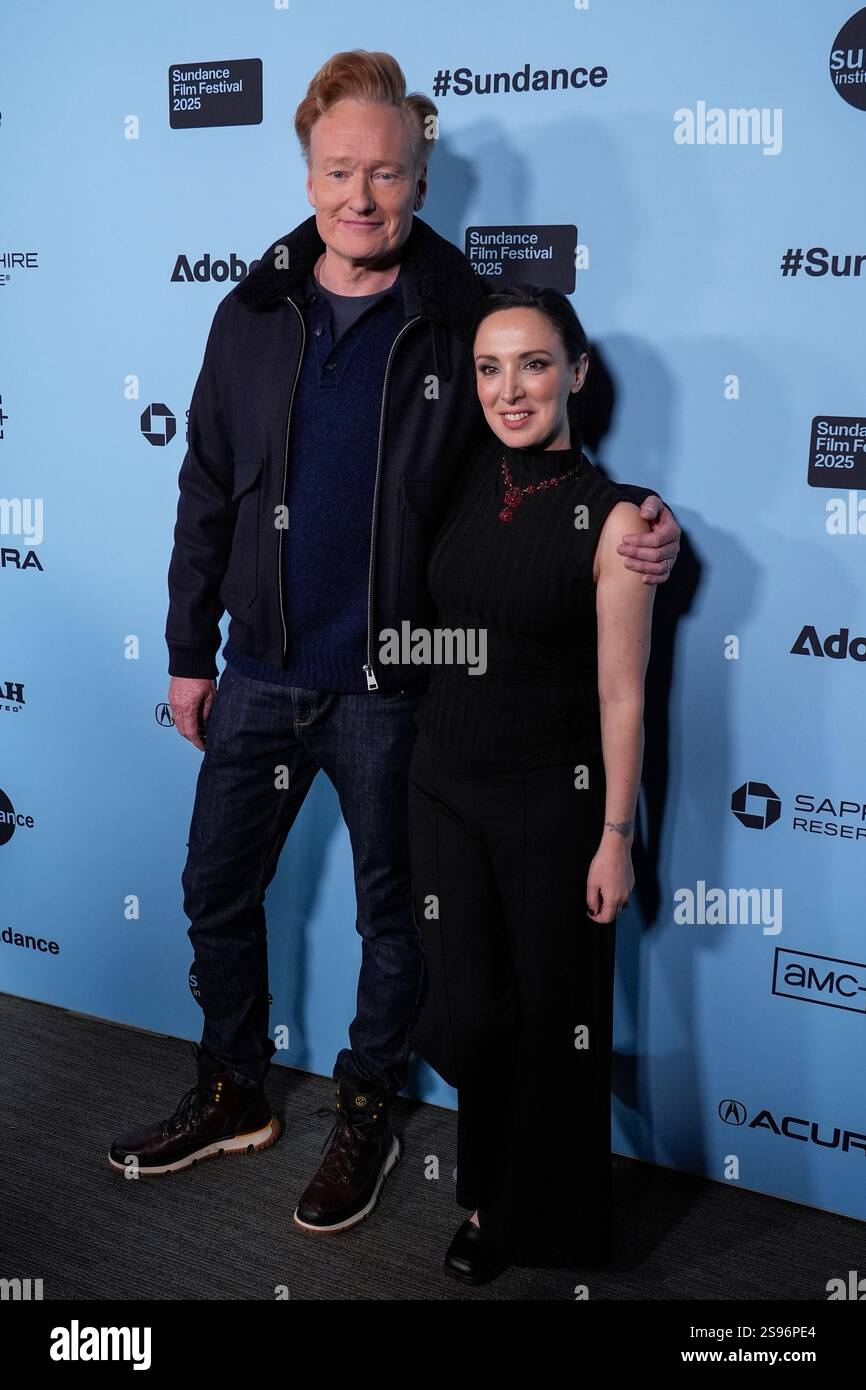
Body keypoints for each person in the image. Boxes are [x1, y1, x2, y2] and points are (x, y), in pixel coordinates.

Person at [109, 50, 680, 1237]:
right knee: (215, 888)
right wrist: (186, 646)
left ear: (419, 179)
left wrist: (641, 521)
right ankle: (232, 1088)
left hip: (390, 686)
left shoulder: (462, 317)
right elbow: (205, 486)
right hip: (260, 668)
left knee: (392, 922)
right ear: (307, 170)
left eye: (385, 172)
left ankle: (365, 1108)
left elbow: (534, 454)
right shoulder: (250, 308)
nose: (359, 195)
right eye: (337, 171)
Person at [407, 282, 655, 1282]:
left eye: (534, 364)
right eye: (489, 367)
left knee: (556, 1016)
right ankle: (492, 1182)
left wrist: (614, 834)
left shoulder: (616, 521)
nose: (510, 389)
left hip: (549, 802)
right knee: (466, 1011)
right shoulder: (458, 473)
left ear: (576, 375)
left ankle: (503, 1216)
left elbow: (622, 696)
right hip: (437, 786)